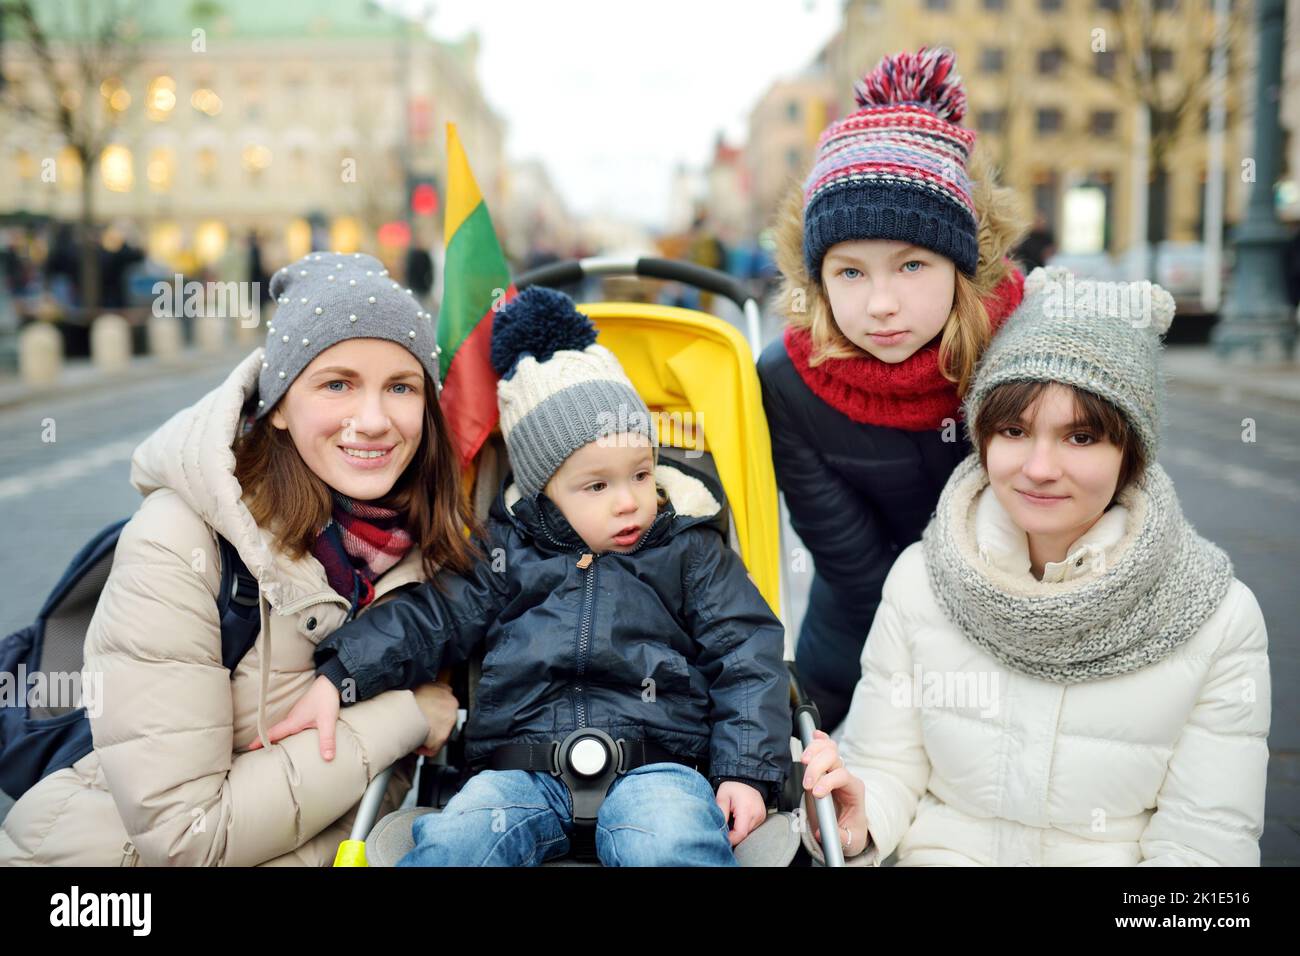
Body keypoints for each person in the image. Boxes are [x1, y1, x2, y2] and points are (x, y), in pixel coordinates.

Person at [266, 286, 792, 867]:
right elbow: (431, 616)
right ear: (545, 493)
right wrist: (345, 671)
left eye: (641, 474)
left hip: (658, 765)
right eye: (597, 485)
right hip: (516, 770)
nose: (628, 502)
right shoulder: (504, 554)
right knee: (456, 840)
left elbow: (746, 651)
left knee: (674, 842)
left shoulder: (689, 548)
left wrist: (745, 769)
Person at [0, 252, 475, 865]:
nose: (374, 421)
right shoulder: (181, 543)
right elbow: (188, 837)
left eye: (401, 387)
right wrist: (407, 717)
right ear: (277, 405)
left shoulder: (431, 549)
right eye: (337, 384)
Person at [799, 267, 1271, 866]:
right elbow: (887, 767)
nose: (1040, 467)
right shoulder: (923, 578)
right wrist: (858, 820)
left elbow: (1205, 849)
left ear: (1131, 453)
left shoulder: (1218, 620)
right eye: (1015, 430)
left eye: (1081, 438)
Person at [757, 46, 1029, 732]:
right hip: (854, 637)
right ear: (818, 280)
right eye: (850, 272)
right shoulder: (791, 380)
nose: (881, 303)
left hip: (1011, 632)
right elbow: (847, 559)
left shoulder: (1021, 356)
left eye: (911, 265)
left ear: (962, 266)